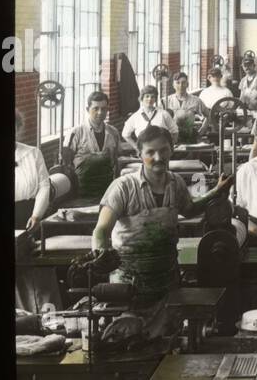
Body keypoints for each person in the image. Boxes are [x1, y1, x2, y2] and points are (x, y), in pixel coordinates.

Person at [90, 126, 231, 298]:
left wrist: (216, 191)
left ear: (171, 150)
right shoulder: (123, 187)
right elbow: (101, 229)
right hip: (127, 285)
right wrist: (100, 252)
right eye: (150, 152)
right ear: (139, 155)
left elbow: (190, 209)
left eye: (163, 150)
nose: (158, 158)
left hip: (168, 281)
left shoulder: (176, 183)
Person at [61, 90, 123, 190]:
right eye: (95, 109)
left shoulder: (113, 132)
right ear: (87, 109)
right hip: (82, 187)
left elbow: (117, 160)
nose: (100, 112)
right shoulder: (75, 133)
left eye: (103, 109)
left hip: (107, 186)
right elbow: (66, 164)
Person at [14, 109, 53, 233]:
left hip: (29, 216)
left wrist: (36, 215)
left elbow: (44, 186)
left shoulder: (33, 153)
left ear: (18, 128)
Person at [121, 86, 177, 152]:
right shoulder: (135, 116)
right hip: (144, 151)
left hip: (161, 149)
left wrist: (170, 146)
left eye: (152, 97)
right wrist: (136, 147)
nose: (150, 99)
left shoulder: (163, 114)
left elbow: (175, 131)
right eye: (147, 96)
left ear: (155, 99)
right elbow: (125, 134)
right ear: (142, 98)